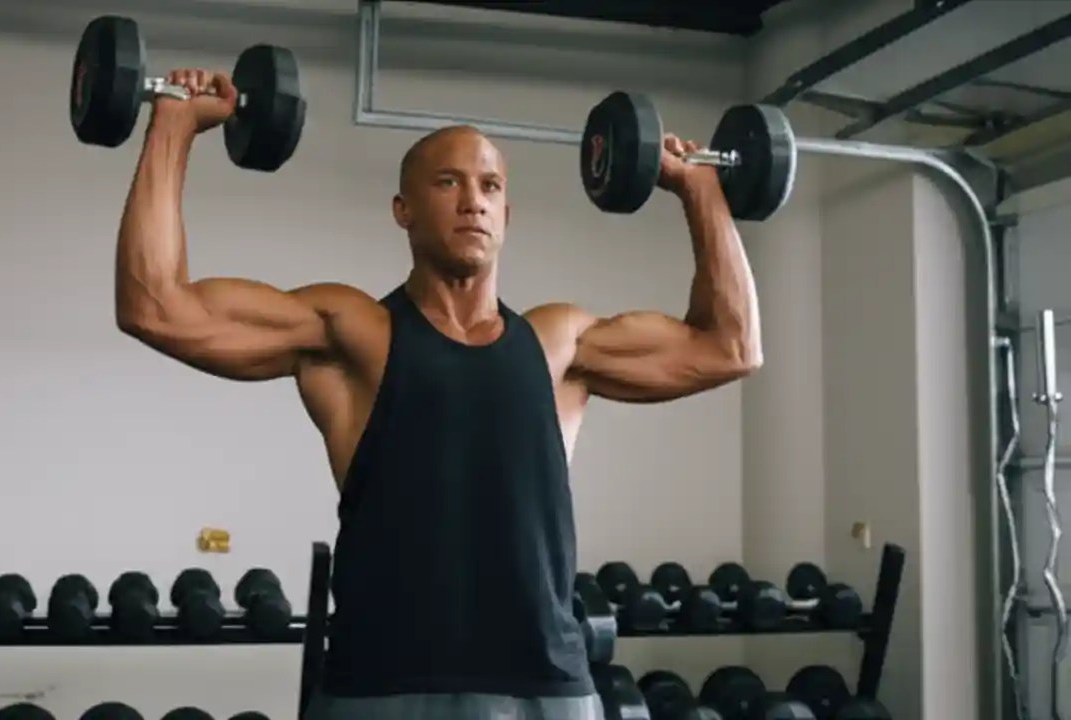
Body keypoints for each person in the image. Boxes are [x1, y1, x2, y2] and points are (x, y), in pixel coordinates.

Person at [114, 68, 762, 720]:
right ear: (403, 209)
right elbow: (156, 306)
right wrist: (173, 123)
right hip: (381, 691)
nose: (472, 201)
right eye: (448, 182)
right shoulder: (353, 333)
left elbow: (731, 347)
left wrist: (700, 188)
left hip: (549, 692)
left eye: (490, 187)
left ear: (507, 215)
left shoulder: (560, 347)